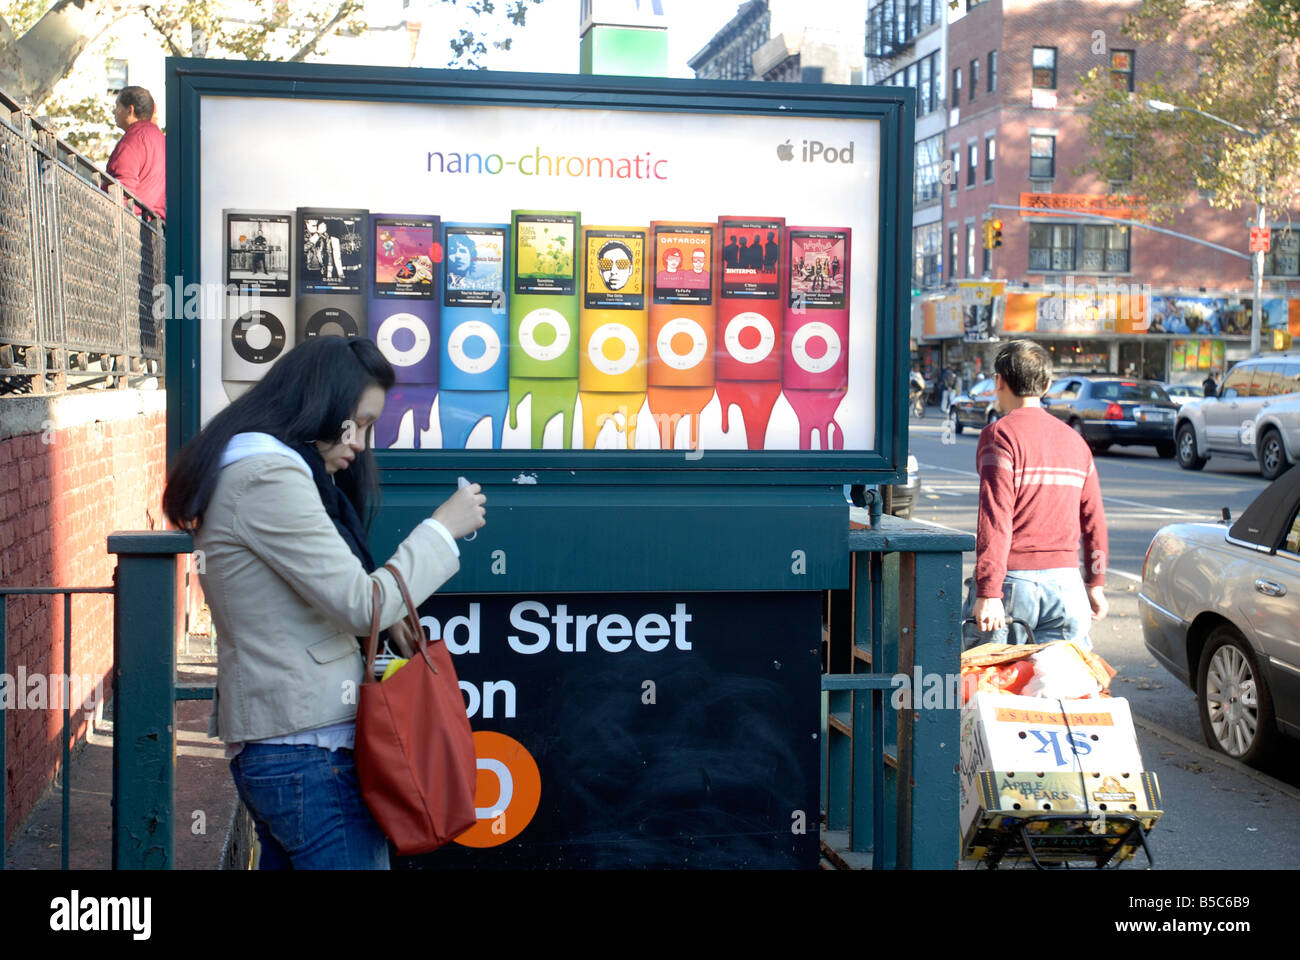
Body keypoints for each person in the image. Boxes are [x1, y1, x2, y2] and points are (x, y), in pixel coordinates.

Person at [162, 336, 487, 869]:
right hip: (310, 754)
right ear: (318, 404)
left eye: (370, 429)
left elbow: (329, 598)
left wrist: (393, 613)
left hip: (294, 749)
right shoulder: (269, 476)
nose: (360, 443)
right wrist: (441, 530)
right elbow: (362, 603)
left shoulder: (260, 470)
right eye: (355, 423)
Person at [963, 340, 1109, 650]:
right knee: (1060, 690)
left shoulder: (1000, 435)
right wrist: (1095, 584)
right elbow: (1094, 518)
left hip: (1015, 587)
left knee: (995, 688)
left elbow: (995, 516)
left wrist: (989, 592)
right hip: (1068, 588)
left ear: (999, 381)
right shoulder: (1075, 442)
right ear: (1047, 385)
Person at [106, 85, 165, 219]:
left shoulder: (133, 139)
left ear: (130, 110)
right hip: (158, 226)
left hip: (133, 226)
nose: (114, 112)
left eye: (118, 106)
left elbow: (122, 188)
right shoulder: (162, 139)